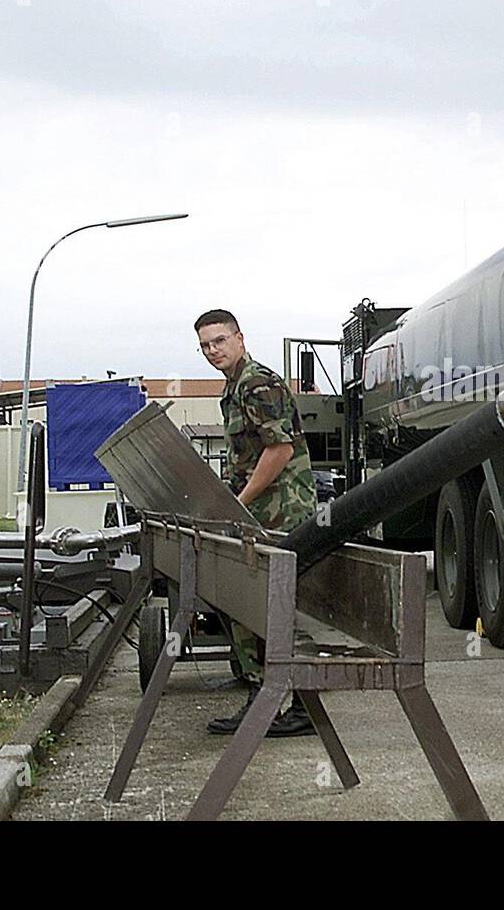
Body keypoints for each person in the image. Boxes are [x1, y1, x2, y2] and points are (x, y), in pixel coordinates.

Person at [195, 309, 318, 737]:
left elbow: (279, 450)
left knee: (276, 606)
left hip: (281, 511)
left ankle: (301, 705)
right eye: (206, 345)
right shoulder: (233, 389)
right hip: (258, 513)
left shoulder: (258, 384)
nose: (213, 351)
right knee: (248, 602)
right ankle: (262, 695)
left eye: (219, 341)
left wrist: (239, 504)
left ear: (240, 339)